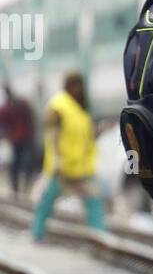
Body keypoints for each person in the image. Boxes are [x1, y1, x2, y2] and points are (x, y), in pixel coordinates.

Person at [33, 72, 107, 240]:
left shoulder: (79, 109)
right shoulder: (58, 106)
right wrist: (58, 160)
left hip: (79, 169)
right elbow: (53, 134)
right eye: (76, 85)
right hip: (61, 168)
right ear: (69, 85)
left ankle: (100, 238)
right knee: (46, 202)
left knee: (93, 201)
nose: (79, 89)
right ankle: (37, 235)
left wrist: (99, 131)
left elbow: (83, 136)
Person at [0, 85, 35, 194]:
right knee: (17, 164)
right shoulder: (12, 106)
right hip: (18, 139)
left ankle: (22, 187)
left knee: (24, 163)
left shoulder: (20, 104)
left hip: (23, 138)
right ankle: (17, 188)